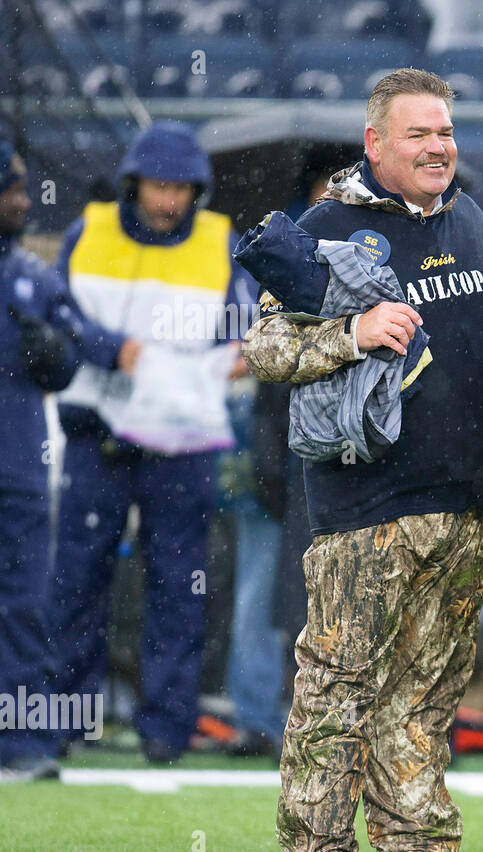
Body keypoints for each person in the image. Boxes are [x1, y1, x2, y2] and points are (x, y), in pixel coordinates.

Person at [242, 69, 483, 852]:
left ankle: (414, 844)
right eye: (419, 134)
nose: (438, 147)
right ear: (376, 143)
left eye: (446, 132)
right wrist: (353, 332)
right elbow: (267, 352)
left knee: (430, 687)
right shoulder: (324, 225)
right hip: (364, 502)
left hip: (466, 497)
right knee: (339, 682)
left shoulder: (471, 219)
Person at [52, 121, 256, 765]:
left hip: (184, 440)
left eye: (180, 188)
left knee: (178, 586)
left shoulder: (220, 243)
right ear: (133, 184)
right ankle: (66, 723)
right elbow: (57, 314)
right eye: (158, 186)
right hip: (98, 431)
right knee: (79, 579)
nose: (169, 200)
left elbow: (248, 328)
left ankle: (165, 731)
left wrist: (239, 357)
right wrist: (116, 351)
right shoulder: (89, 232)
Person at [0, 141, 127, 780]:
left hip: (19, 464)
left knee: (23, 602)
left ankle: (21, 744)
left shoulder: (33, 275)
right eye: (12, 191)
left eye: (24, 190)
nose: (23, 203)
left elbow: (78, 344)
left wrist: (59, 353)